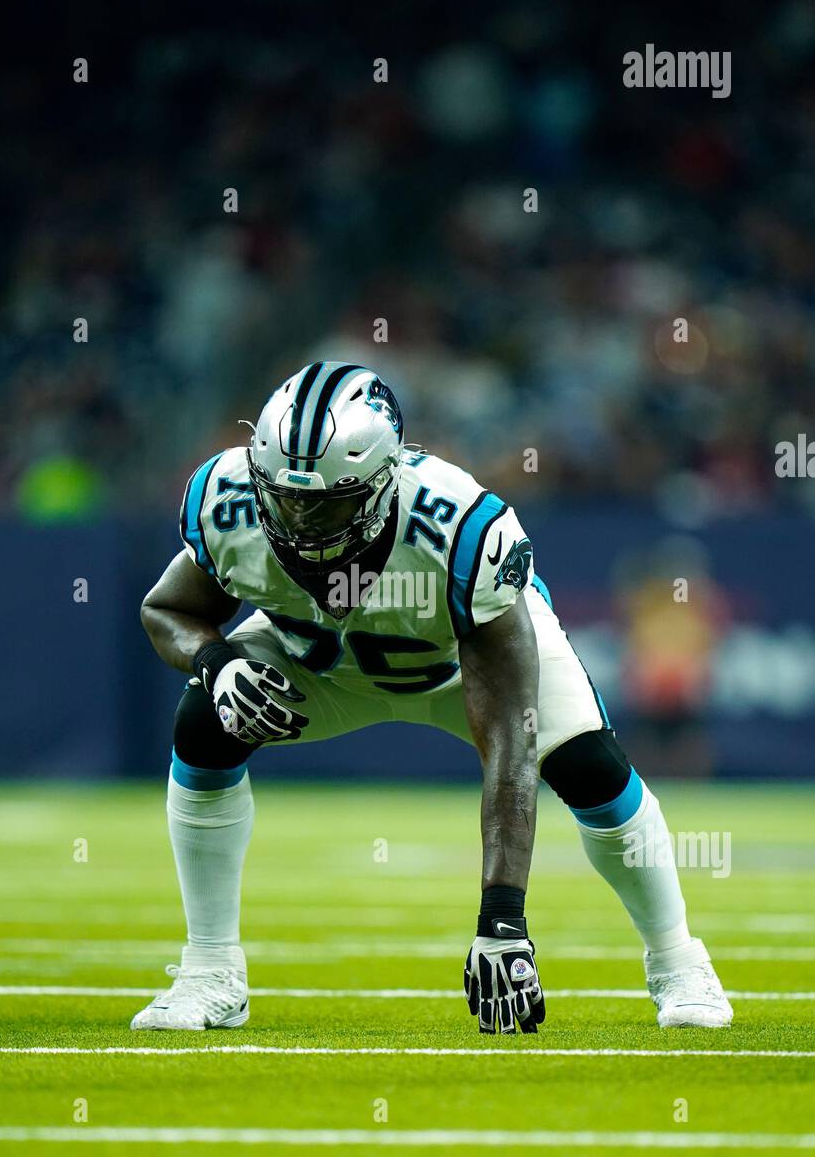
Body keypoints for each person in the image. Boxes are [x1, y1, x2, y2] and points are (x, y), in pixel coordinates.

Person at [132, 361, 733, 1034]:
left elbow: (511, 735)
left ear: (384, 481)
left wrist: (502, 919)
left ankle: (680, 963)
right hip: (322, 661)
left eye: (325, 502)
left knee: (591, 769)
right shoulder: (229, 501)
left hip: (456, 663)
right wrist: (216, 663)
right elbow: (167, 610)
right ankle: (210, 971)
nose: (299, 520)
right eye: (284, 497)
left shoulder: (462, 529)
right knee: (204, 719)